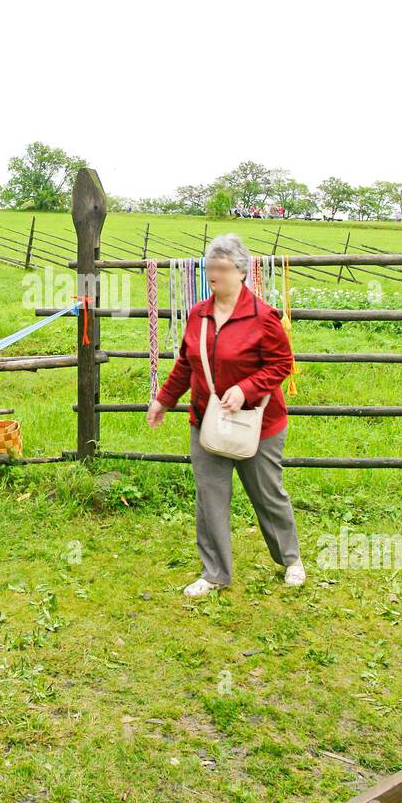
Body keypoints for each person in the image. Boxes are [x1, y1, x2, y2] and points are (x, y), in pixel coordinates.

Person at [147, 233, 304, 595]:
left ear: (241, 272)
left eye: (221, 267)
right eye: (209, 267)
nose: (213, 274)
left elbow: (282, 364)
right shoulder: (198, 314)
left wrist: (246, 388)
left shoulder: (263, 317)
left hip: (259, 425)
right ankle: (215, 573)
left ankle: (290, 559)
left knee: (267, 494)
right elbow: (186, 364)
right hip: (208, 422)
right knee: (210, 498)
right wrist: (163, 400)